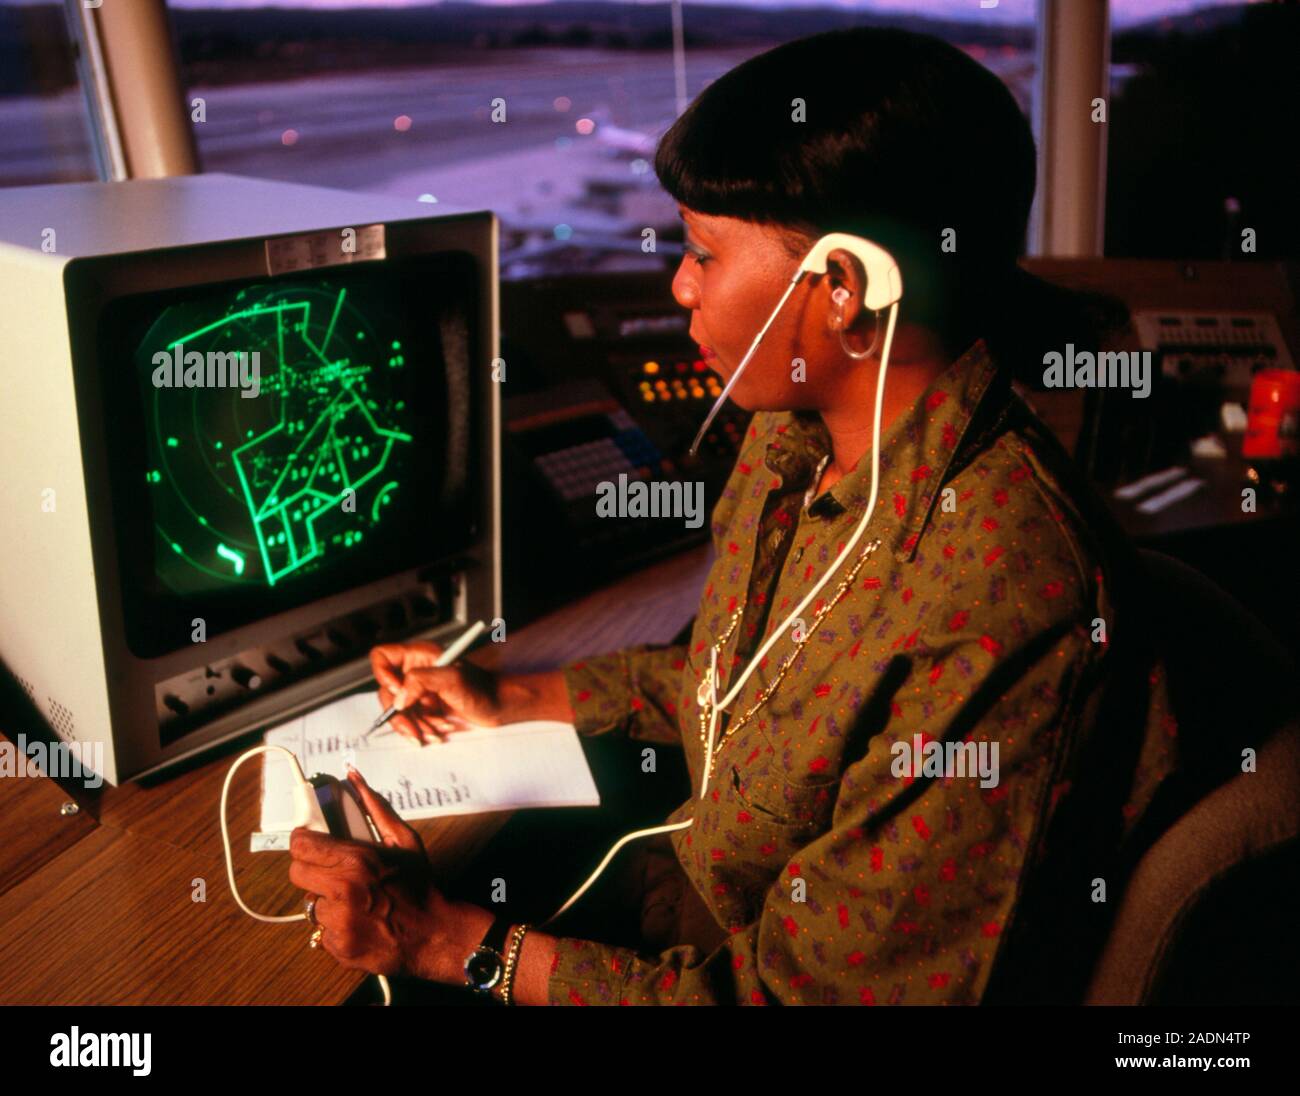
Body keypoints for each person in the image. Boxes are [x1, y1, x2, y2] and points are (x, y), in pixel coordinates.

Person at [289, 26, 1181, 1006]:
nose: (679, 285)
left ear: (843, 288)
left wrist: (449, 942)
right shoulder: (798, 430)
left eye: (703, 253)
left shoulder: (995, 595)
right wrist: (511, 698)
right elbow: (754, 685)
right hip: (685, 907)